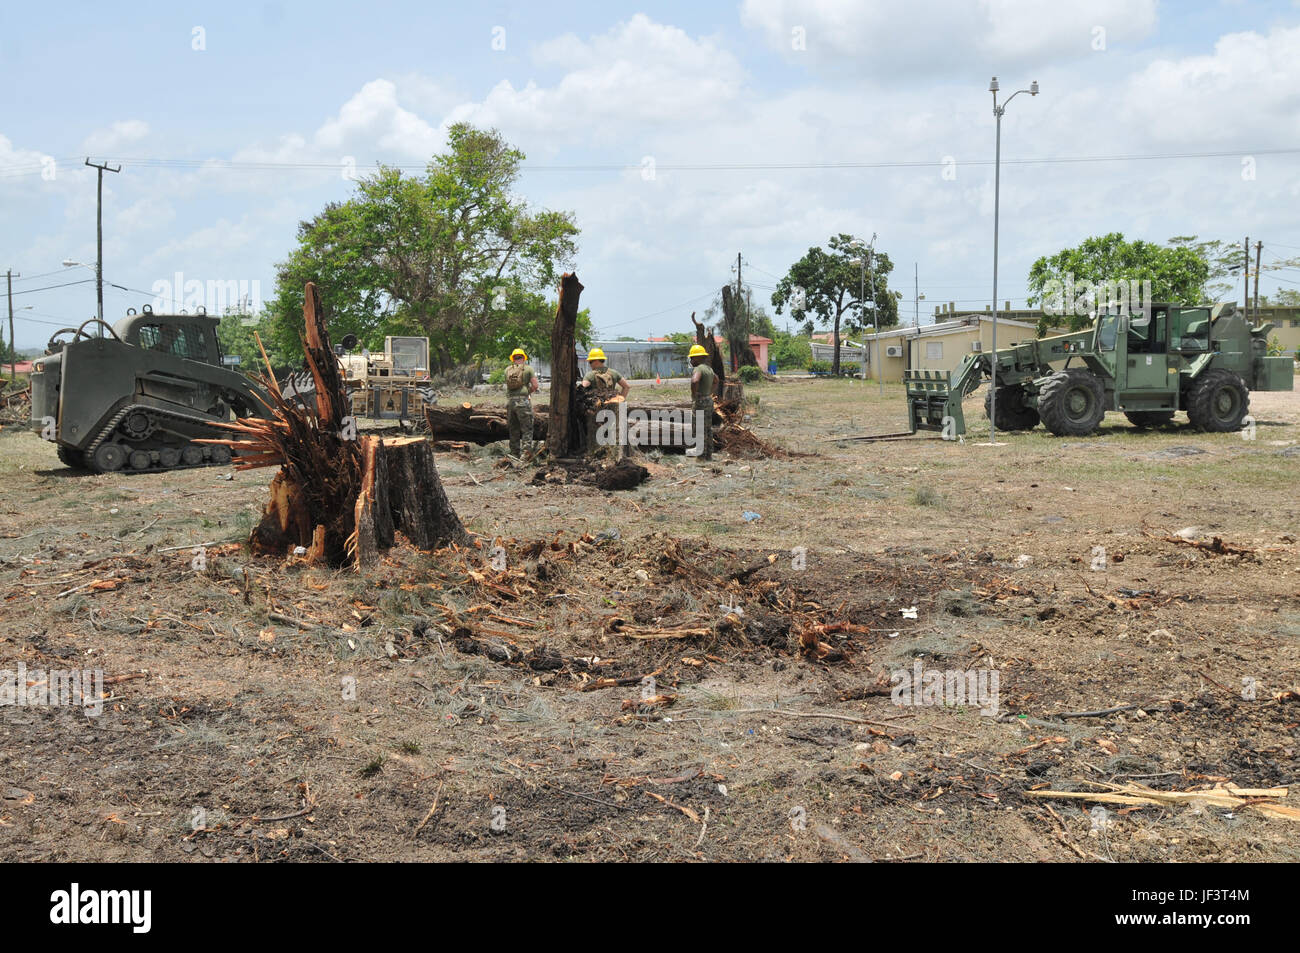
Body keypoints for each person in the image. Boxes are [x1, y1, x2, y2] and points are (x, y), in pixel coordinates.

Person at [579, 348, 630, 456]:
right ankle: (616, 454)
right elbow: (626, 387)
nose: (589, 364)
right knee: (615, 431)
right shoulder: (613, 373)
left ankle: (595, 453)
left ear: (596, 361)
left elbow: (582, 389)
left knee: (595, 432)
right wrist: (620, 399)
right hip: (614, 408)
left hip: (597, 410)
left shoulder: (590, 375)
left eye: (590, 361)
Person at [504, 347, 539, 457]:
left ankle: (514, 454)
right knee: (527, 429)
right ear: (524, 358)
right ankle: (525, 456)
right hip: (523, 401)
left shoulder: (507, 370)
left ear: (513, 358)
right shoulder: (528, 369)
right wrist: (528, 392)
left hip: (510, 402)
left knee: (513, 429)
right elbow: (535, 385)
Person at [687, 344, 716, 459]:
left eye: (692, 358)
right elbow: (716, 380)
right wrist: (709, 392)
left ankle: (701, 456)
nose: (691, 360)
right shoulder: (709, 369)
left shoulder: (698, 369)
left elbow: (695, 381)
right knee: (707, 428)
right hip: (708, 401)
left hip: (701, 402)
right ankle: (708, 454)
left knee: (699, 428)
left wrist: (695, 395)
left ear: (699, 357)